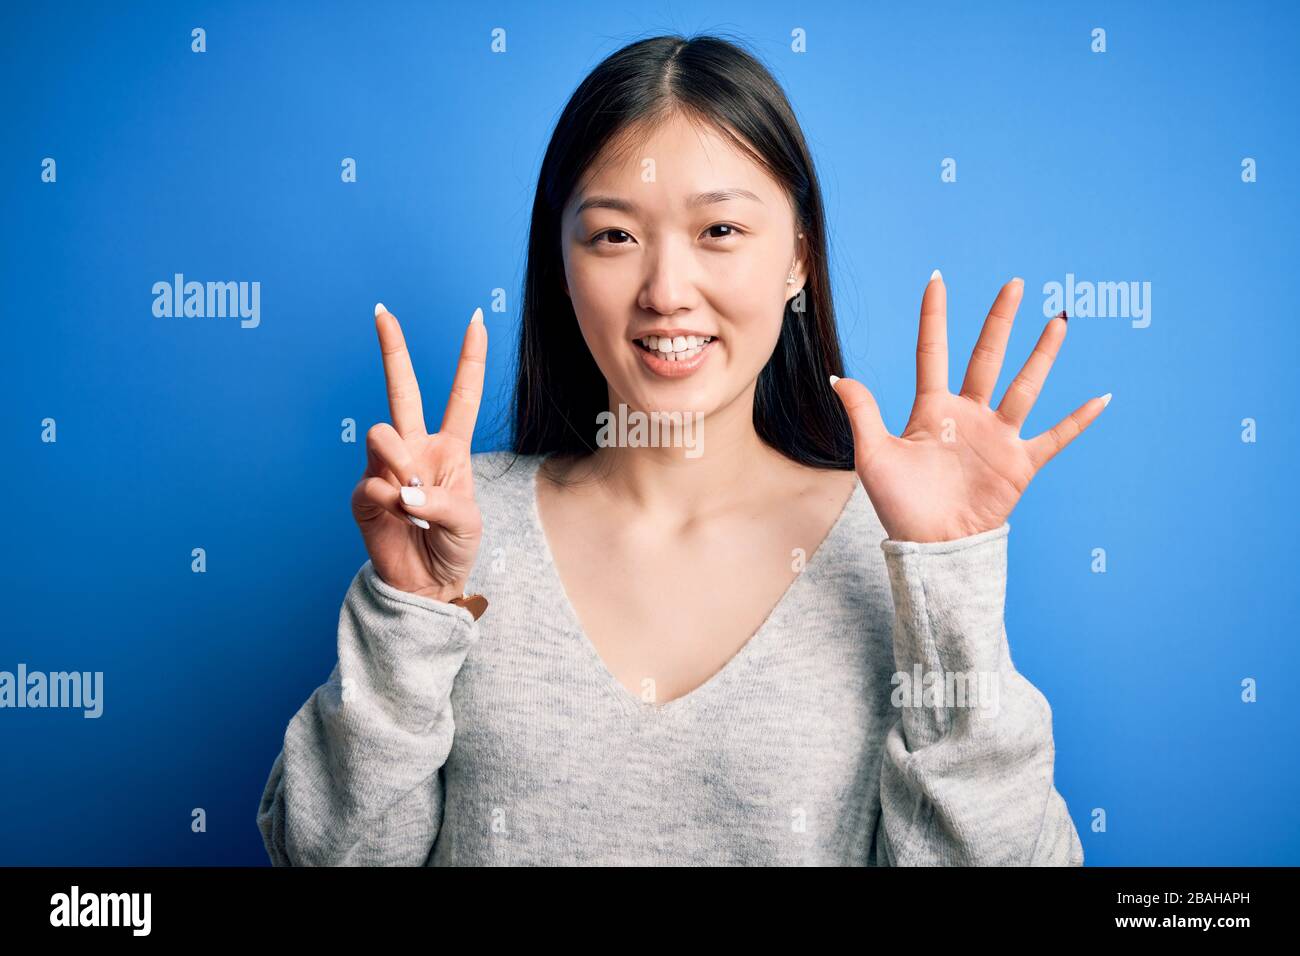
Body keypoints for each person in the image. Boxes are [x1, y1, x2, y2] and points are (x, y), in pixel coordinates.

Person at [257, 33, 1101, 866]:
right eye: (614, 236)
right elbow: (322, 856)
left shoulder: (886, 550)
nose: (665, 292)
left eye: (721, 230)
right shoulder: (456, 532)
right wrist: (411, 612)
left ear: (798, 258)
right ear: (561, 262)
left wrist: (945, 579)